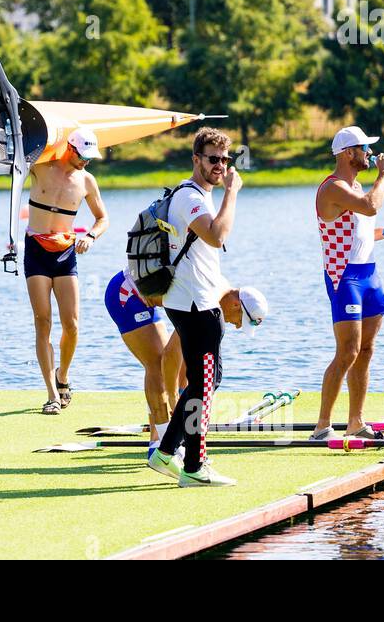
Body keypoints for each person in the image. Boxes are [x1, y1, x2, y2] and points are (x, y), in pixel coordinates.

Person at [146, 127, 242, 487]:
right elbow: (216, 236)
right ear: (196, 159)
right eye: (213, 159)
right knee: (203, 383)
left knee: (206, 379)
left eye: (224, 160)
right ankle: (194, 466)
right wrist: (232, 192)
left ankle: (166, 451)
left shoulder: (197, 195)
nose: (220, 166)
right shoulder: (191, 198)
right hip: (194, 305)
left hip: (193, 300)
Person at [104, 269, 267, 475]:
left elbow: (184, 359)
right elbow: (170, 356)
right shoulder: (205, 300)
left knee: (183, 368)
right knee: (157, 367)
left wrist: (183, 403)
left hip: (150, 293)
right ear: (236, 305)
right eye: (239, 320)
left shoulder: (215, 301)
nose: (236, 326)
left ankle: (163, 441)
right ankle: (161, 445)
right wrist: (174, 400)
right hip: (127, 293)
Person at [311, 126, 384, 441]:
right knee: (347, 352)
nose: (369, 153)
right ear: (347, 153)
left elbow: (362, 232)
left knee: (366, 349)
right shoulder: (333, 188)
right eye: (364, 148)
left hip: (369, 275)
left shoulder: (357, 187)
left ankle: (355, 421)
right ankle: (323, 425)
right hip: (345, 278)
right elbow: (371, 206)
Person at [25, 128, 108, 414]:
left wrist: (91, 236)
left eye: (90, 157)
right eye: (83, 156)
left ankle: (64, 375)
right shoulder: (40, 168)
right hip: (35, 249)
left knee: (71, 324)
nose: (87, 161)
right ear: (69, 149)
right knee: (43, 321)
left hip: (65, 252)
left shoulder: (87, 181)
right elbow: (20, 149)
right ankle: (51, 395)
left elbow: (102, 218)